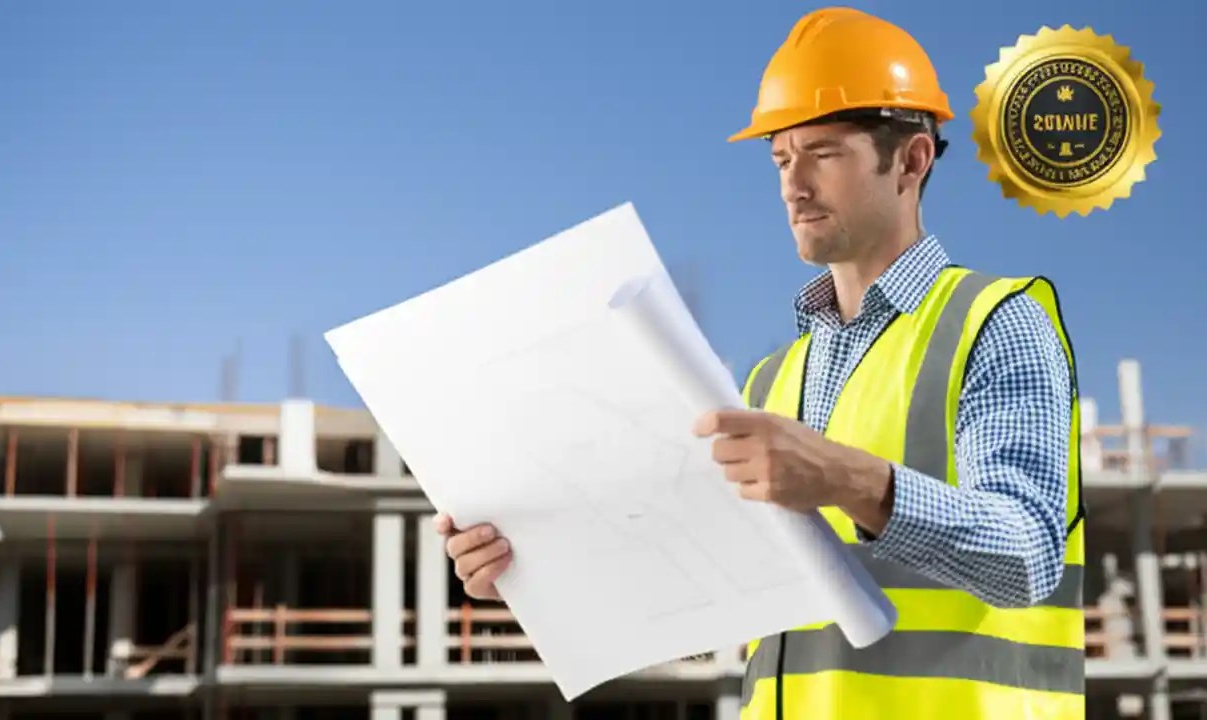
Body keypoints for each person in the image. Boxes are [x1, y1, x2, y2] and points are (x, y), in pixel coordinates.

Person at [436, 7, 1086, 719]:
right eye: (781, 158)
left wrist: (843, 477)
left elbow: (1028, 556)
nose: (792, 184)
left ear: (911, 160)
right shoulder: (769, 382)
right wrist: (534, 574)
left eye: (823, 153)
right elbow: (716, 601)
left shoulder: (996, 322)